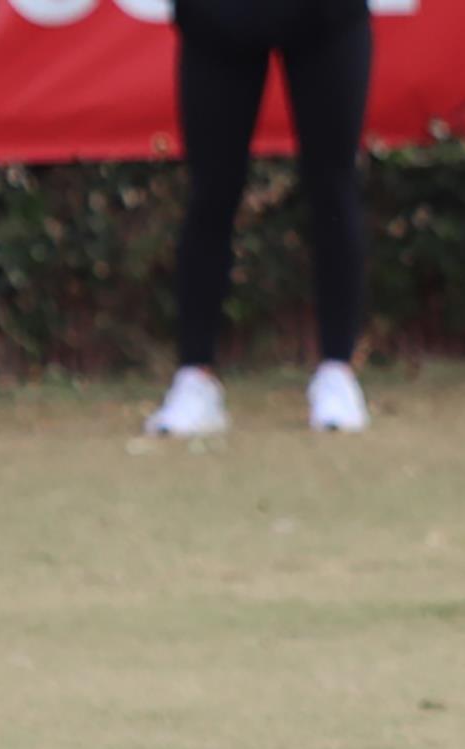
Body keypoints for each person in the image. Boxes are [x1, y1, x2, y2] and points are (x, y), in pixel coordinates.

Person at [145, 0, 373, 437]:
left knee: (333, 186)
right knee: (212, 191)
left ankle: (337, 372)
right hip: (219, 16)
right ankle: (195, 378)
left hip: (327, 18)